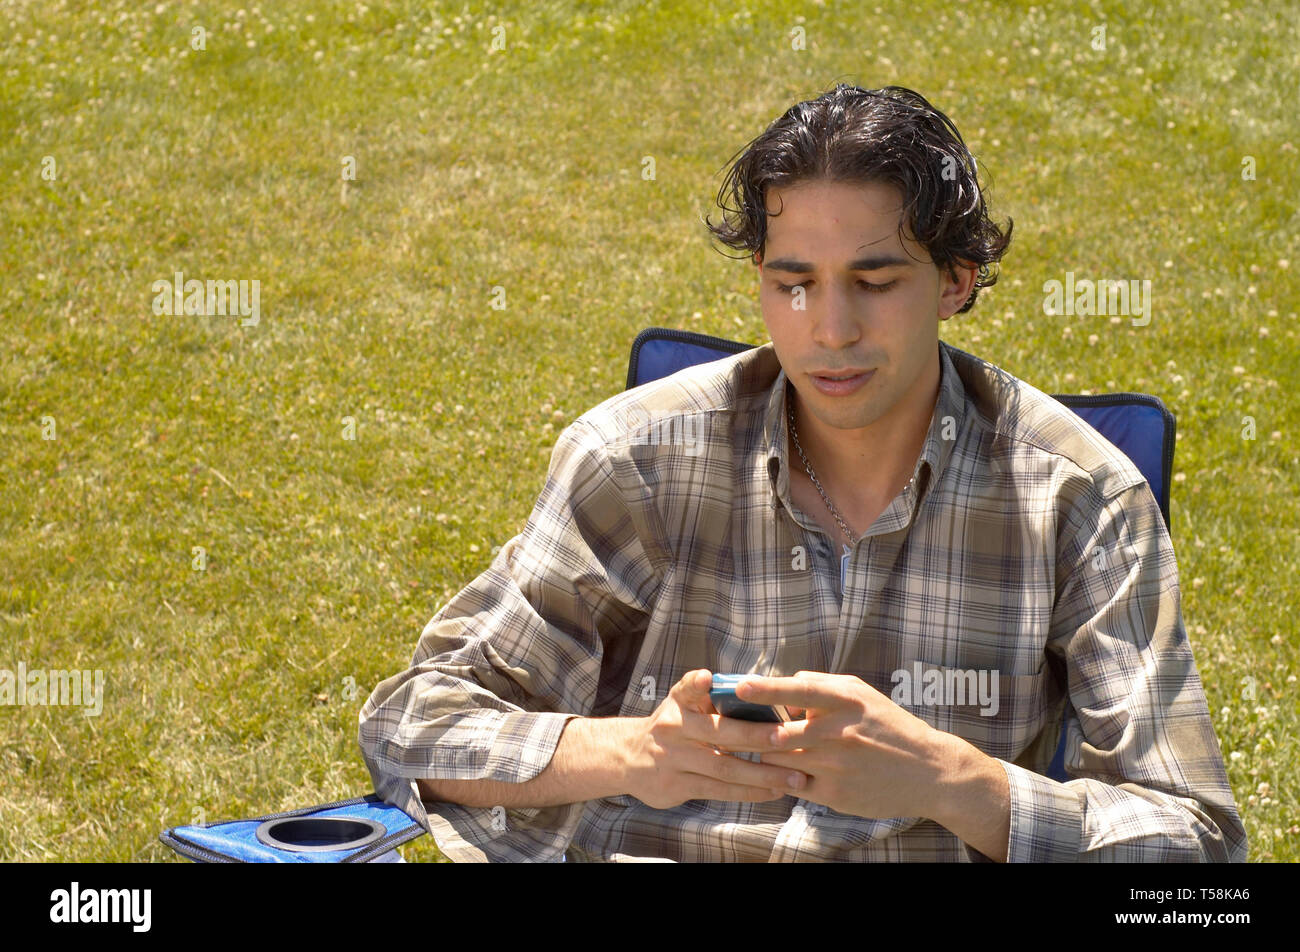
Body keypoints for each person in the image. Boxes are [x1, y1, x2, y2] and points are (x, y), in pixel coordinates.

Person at [358, 84, 1247, 862]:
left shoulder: (1081, 501)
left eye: (874, 279)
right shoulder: (635, 460)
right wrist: (635, 753)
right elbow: (413, 727)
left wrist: (954, 782)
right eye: (795, 282)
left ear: (957, 280)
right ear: (759, 280)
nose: (829, 329)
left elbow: (1199, 854)